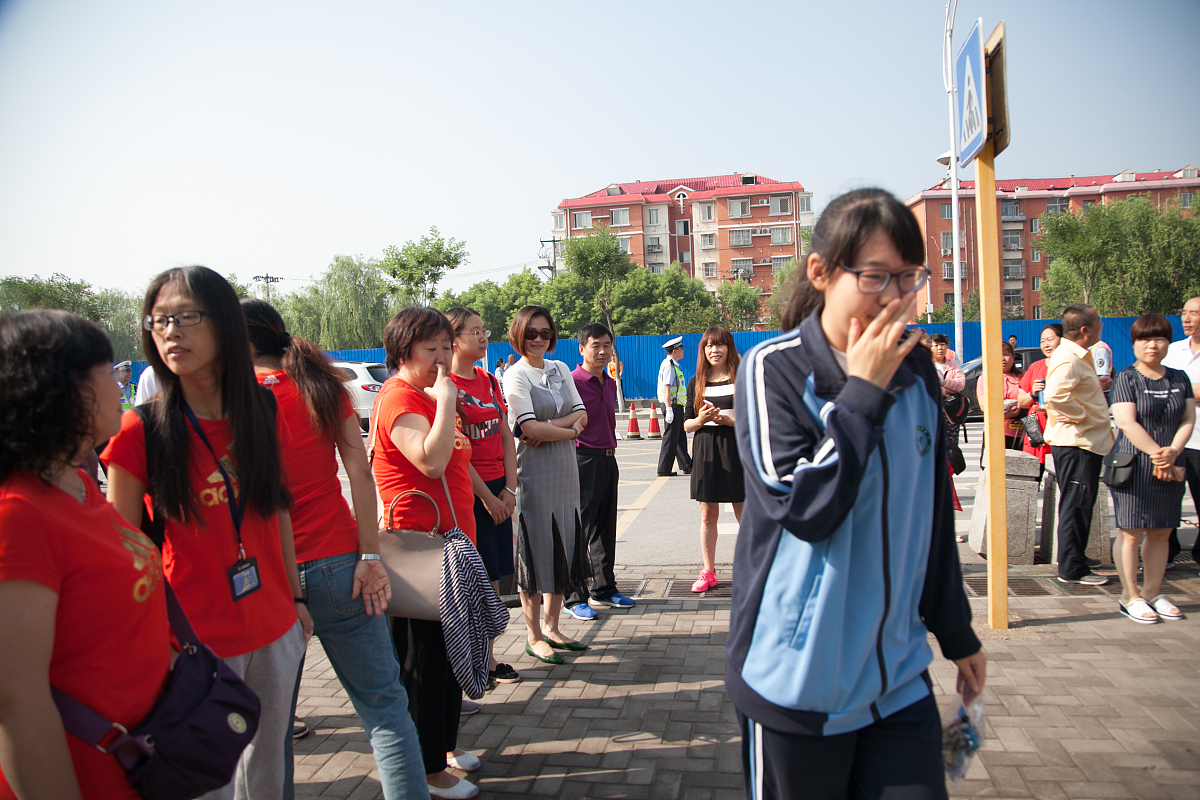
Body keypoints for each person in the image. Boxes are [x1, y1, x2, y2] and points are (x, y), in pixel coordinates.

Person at [728, 188, 985, 800]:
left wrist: (957, 632)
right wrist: (862, 394)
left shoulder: (917, 372)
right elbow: (804, 510)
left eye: (909, 277)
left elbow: (930, 519)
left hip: (896, 677)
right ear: (820, 272)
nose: (895, 297)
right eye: (875, 277)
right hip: (796, 683)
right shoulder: (773, 370)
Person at [103, 267, 310, 800]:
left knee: (268, 771)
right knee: (204, 782)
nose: (170, 332)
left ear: (224, 326)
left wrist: (297, 601)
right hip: (189, 641)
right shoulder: (141, 430)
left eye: (186, 317)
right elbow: (118, 555)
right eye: (159, 320)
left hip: (275, 625)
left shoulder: (261, 410)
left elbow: (277, 511)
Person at [241, 299, 428, 798]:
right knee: (385, 707)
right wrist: (369, 556)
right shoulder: (320, 388)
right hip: (341, 565)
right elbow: (359, 472)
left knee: (269, 729)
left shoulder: (233, 402)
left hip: (271, 576)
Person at [0, 310, 170, 799]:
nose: (120, 386)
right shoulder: (17, 516)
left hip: (142, 758)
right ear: (59, 389)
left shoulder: (75, 482)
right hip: (89, 771)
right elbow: (17, 705)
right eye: (107, 373)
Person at [371, 307, 481, 799]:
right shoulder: (401, 397)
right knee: (423, 663)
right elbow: (430, 462)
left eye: (445, 348)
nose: (441, 358)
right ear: (402, 351)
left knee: (447, 654)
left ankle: (445, 749)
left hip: (449, 546)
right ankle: (427, 770)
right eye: (429, 349)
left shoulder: (429, 394)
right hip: (418, 553)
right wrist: (448, 397)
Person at [502, 306, 591, 646]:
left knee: (563, 548)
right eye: (531, 333)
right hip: (534, 475)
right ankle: (534, 634)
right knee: (536, 552)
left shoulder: (560, 368)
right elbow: (528, 428)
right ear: (518, 335)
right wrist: (569, 431)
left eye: (544, 332)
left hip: (566, 472)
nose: (538, 339)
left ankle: (553, 628)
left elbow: (582, 413)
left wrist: (548, 428)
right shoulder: (515, 375)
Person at [445, 307, 521, 687]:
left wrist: (509, 488)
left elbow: (505, 434)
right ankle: (472, 661)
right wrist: (488, 499)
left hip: (498, 488)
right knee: (475, 577)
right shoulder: (446, 387)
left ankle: (489, 660)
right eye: (473, 331)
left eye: (483, 330)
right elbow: (457, 451)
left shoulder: (489, 380)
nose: (483, 337)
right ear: (453, 339)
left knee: (493, 577)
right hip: (469, 494)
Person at [1109, 314, 1194, 623]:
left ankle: (1152, 592)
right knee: (1131, 532)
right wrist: (1158, 454)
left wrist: (1174, 450)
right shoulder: (1126, 378)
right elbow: (1126, 422)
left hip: (1171, 464)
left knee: (1162, 531)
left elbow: (1187, 418)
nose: (1153, 345)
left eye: (1159, 339)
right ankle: (1129, 596)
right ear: (1134, 343)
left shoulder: (1179, 378)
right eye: (1145, 339)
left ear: (1168, 343)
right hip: (1134, 465)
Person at [565, 323, 635, 615]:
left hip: (608, 459)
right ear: (582, 349)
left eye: (607, 345)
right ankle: (573, 597)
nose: (603, 351)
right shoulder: (571, 383)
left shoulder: (609, 381)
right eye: (596, 346)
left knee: (605, 528)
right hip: (583, 460)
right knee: (579, 530)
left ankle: (604, 589)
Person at [1044, 304, 1116, 586]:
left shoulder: (1076, 355)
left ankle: (1076, 557)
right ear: (1086, 330)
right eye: (1098, 322)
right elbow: (1055, 394)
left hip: (1084, 442)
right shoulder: (1069, 358)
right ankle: (1072, 568)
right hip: (1077, 443)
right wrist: (1080, 414)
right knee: (1076, 505)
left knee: (1081, 504)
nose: (1102, 326)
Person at [683, 326, 744, 594]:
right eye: (709, 345)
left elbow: (755, 418)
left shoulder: (742, 378)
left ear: (729, 348)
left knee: (744, 514)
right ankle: (708, 571)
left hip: (735, 448)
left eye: (720, 345)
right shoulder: (696, 381)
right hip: (706, 450)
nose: (714, 350)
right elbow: (686, 424)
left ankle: (752, 569)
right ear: (703, 350)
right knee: (708, 515)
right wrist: (701, 419)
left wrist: (728, 421)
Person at [1160, 295, 1200, 571]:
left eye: (1193, 313)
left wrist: (1177, 391)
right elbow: (1159, 385)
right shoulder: (1173, 350)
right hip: (1170, 440)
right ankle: (1166, 553)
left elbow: (1170, 390)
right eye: (1184, 312)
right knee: (1167, 501)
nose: (1186, 318)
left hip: (1198, 440)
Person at [1018, 323, 1064, 467]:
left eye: (1050, 340)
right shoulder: (1035, 367)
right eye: (1043, 341)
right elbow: (1021, 402)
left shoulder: (1068, 366)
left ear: (1062, 340)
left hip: (1060, 431)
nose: (1046, 345)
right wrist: (1033, 394)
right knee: (1034, 474)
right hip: (1037, 433)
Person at [976, 341, 1034, 450]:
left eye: (1006, 354)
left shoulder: (1025, 376)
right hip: (994, 431)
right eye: (998, 355)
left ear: (1013, 357)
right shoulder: (985, 378)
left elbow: (1031, 400)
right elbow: (983, 406)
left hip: (1021, 432)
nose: (1003, 359)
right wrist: (1005, 415)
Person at [657, 337, 693, 477]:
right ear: (674, 350)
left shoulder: (673, 365)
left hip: (676, 405)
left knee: (679, 436)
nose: (683, 350)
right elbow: (666, 388)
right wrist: (669, 409)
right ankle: (664, 468)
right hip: (672, 405)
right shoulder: (669, 366)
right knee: (671, 437)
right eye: (681, 348)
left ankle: (686, 465)